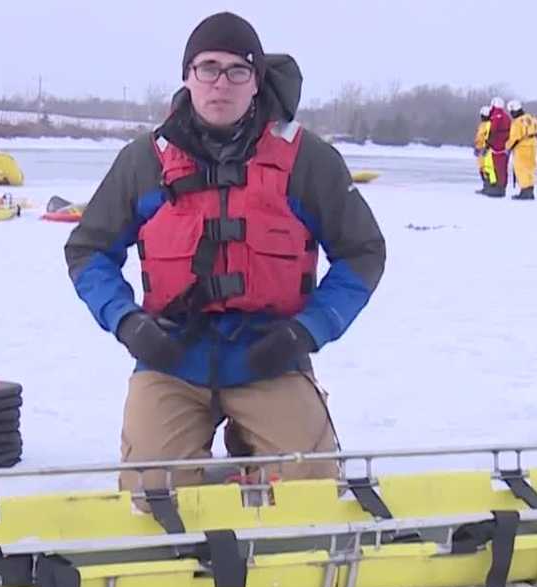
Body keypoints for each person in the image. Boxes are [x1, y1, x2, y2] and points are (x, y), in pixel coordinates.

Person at [64, 11, 385, 500]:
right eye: (208, 68)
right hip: (172, 356)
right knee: (152, 497)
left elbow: (362, 252)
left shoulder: (308, 161)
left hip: (269, 355)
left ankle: (254, 442)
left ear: (256, 81)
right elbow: (88, 250)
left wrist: (307, 330)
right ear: (187, 76)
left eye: (238, 70)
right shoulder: (143, 162)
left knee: (311, 492)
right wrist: (129, 323)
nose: (221, 83)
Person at [505, 100, 537, 200]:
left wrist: (508, 147)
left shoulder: (517, 122)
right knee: (530, 168)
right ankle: (530, 190)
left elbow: (514, 137)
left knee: (521, 168)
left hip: (522, 147)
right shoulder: (532, 118)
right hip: (533, 145)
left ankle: (525, 191)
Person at [482, 97, 511, 197]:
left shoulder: (496, 116)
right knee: (503, 167)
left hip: (497, 146)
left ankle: (499, 188)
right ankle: (501, 187)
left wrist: (488, 144)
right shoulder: (506, 116)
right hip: (505, 145)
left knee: (498, 167)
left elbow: (493, 130)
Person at [474, 105, 492, 191]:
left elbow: (481, 137)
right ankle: (487, 186)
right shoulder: (490, 124)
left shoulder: (485, 125)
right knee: (485, 168)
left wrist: (478, 147)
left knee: (484, 168)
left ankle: (487, 186)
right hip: (485, 149)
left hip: (483, 149)